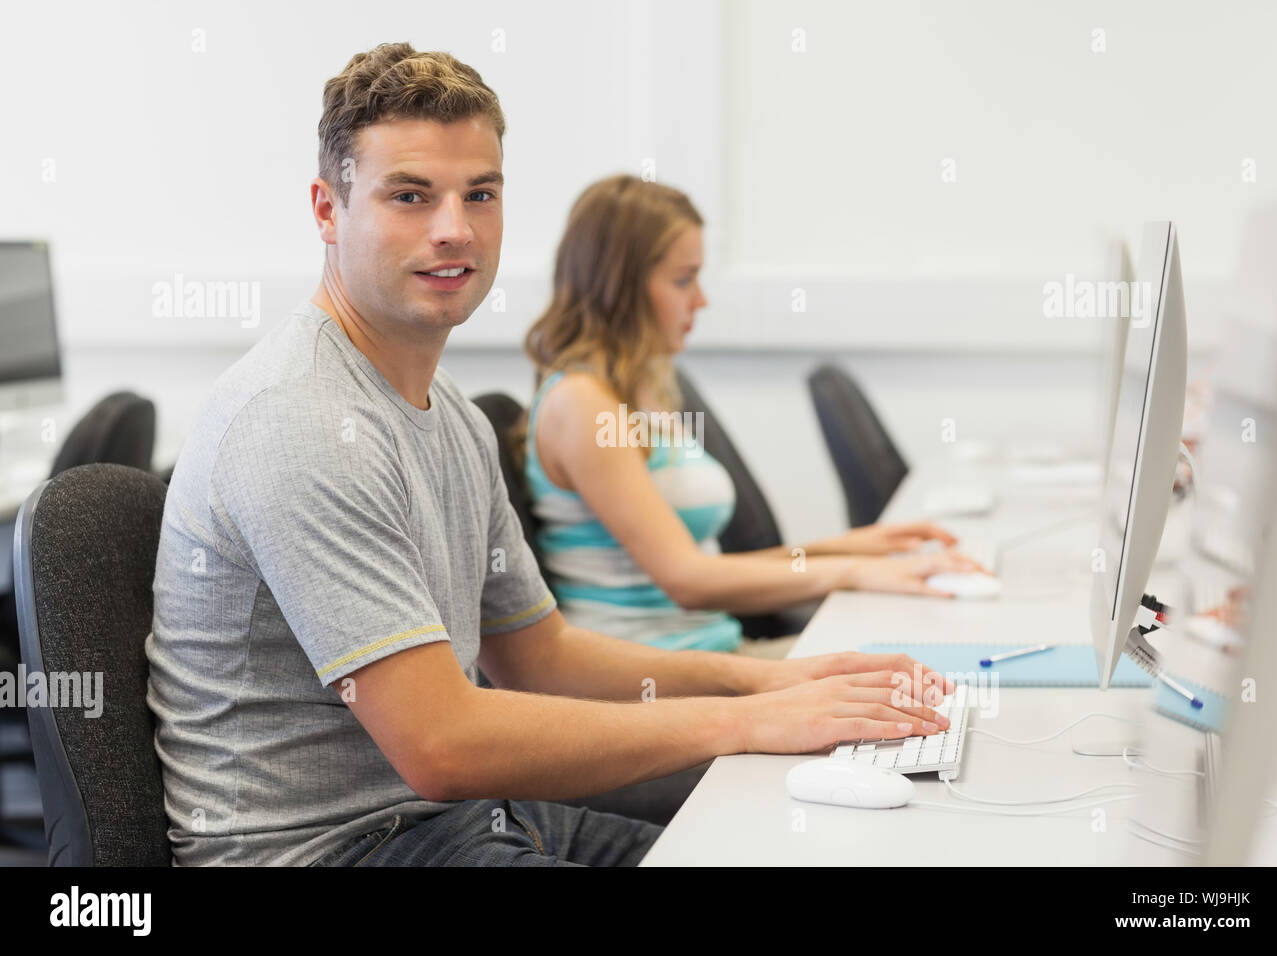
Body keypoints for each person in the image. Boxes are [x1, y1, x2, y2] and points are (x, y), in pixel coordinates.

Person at [146, 42, 956, 868]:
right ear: (327, 209)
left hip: (461, 822)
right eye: (410, 196)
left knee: (783, 845)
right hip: (338, 852)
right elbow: (442, 745)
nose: (454, 228)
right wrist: (743, 719)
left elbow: (542, 657)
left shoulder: (451, 412)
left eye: (481, 194)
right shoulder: (300, 421)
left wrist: (771, 682)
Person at [522, 175, 987, 657]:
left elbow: (703, 565)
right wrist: (852, 570)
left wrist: (852, 546)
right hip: (657, 681)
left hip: (713, 654)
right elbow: (688, 581)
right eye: (683, 279)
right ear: (618, 287)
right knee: (927, 667)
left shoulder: (640, 392)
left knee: (935, 657)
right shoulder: (582, 403)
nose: (699, 300)